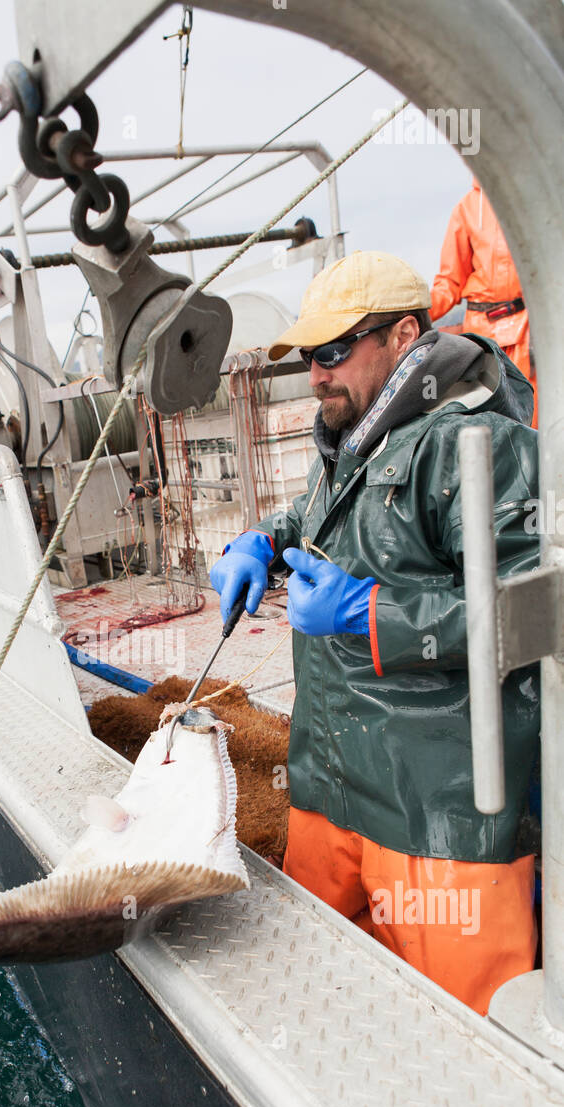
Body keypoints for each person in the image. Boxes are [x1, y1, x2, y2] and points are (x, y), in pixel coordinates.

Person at [210, 250, 539, 1016]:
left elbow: (530, 608)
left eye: (332, 353)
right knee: (333, 1009)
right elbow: (310, 517)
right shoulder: (359, 438)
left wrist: (369, 615)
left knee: (473, 1051)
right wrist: (258, 539)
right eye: (309, 360)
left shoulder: (476, 445)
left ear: (401, 337)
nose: (317, 376)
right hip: (327, 794)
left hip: (439, 826)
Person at [431, 178, 537, 427]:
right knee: (491, 425)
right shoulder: (466, 209)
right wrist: (416, 311)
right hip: (484, 338)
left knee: (538, 426)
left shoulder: (533, 197)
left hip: (530, 333)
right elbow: (449, 282)